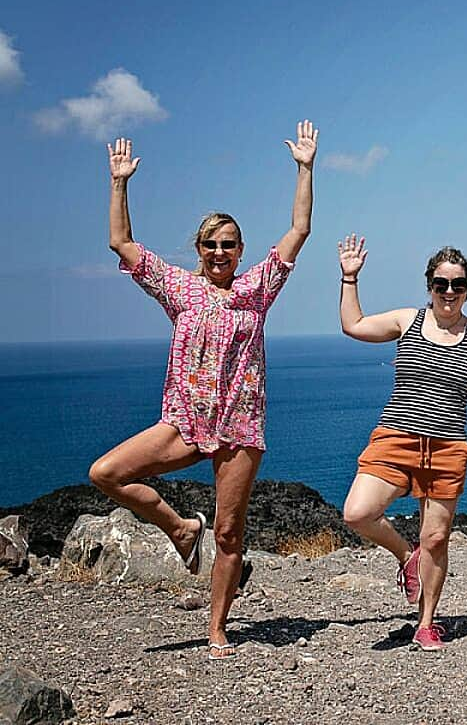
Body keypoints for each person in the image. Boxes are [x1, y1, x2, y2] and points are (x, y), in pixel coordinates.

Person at [90, 122, 318, 660]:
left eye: (229, 244)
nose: (220, 252)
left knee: (231, 533)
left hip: (239, 427)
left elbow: (299, 229)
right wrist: (119, 181)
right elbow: (119, 242)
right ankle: (179, 527)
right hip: (185, 422)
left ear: (241, 250)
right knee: (107, 473)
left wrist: (304, 168)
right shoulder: (180, 289)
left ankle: (218, 628)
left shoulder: (255, 290)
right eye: (211, 244)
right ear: (198, 248)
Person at [338, 238, 467, 651]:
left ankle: (426, 622)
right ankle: (404, 554)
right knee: (358, 513)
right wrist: (350, 276)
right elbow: (353, 325)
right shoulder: (407, 320)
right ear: (429, 284)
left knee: (437, 539)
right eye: (441, 283)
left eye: (458, 285)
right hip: (395, 439)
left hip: (447, 448)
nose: (449, 292)